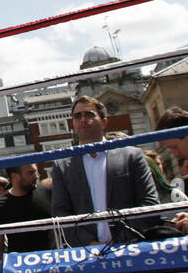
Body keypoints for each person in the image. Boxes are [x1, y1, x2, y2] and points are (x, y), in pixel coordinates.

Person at [50, 96, 159, 247]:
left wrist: (120, 241)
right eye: (77, 116)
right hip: (88, 253)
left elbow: (149, 203)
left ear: (104, 122)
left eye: (89, 114)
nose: (83, 120)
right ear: (73, 124)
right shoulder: (62, 166)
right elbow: (61, 213)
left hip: (131, 246)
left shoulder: (132, 156)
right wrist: (90, 243)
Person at [0, 163, 54, 267]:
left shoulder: (47, 192)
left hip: (52, 261)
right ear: (15, 176)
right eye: (31, 173)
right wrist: (2, 272)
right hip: (21, 266)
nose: (36, 176)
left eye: (36, 172)